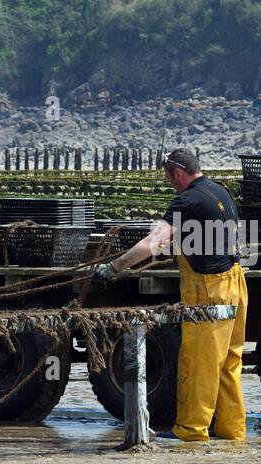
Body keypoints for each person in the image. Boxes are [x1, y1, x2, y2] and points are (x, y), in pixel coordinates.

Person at [94, 149, 248, 442]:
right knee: (229, 362)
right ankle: (232, 431)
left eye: (169, 178)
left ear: (178, 173)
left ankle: (191, 432)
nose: (170, 184)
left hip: (209, 288)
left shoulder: (186, 201)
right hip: (236, 283)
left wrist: (115, 267)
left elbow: (153, 242)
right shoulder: (221, 191)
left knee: (200, 362)